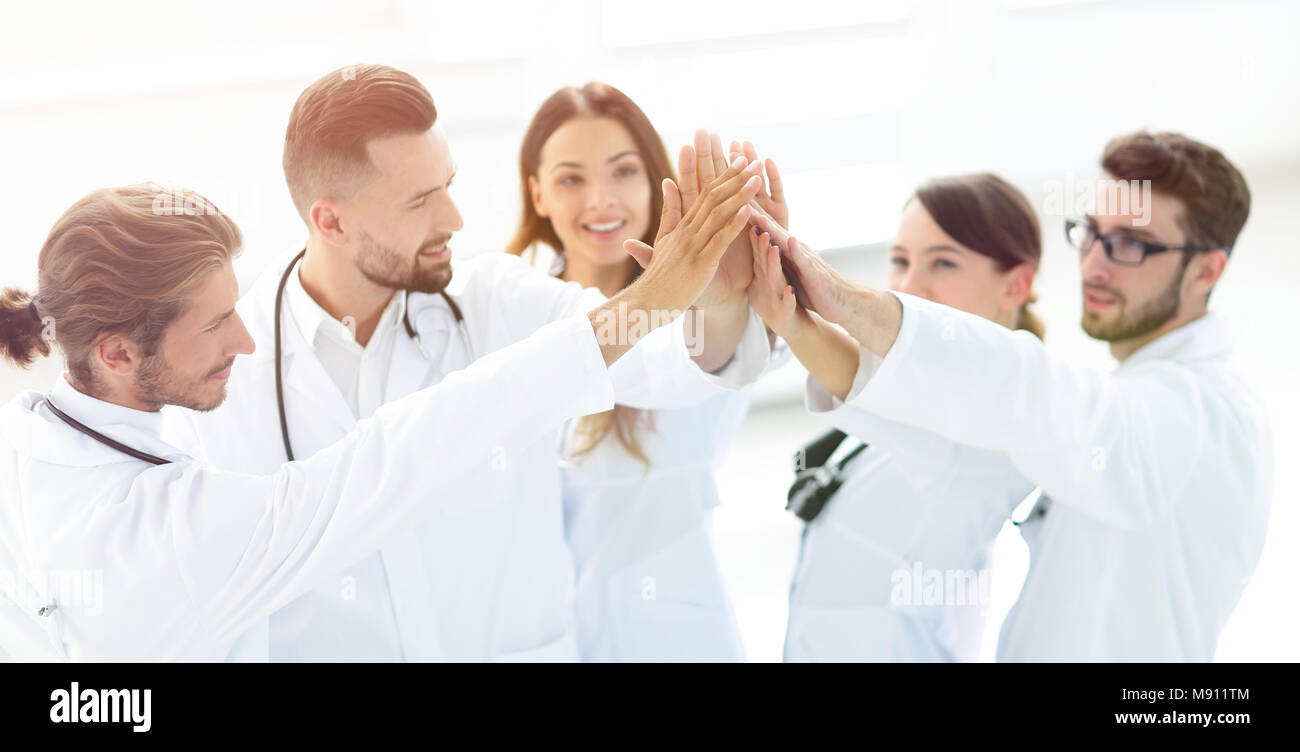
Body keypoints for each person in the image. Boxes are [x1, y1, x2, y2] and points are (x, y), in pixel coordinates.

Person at [0, 174, 757, 659]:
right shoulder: (174, 529)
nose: (245, 339)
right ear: (118, 353)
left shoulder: (44, 448)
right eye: (212, 325)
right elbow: (412, 451)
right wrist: (645, 303)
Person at [166, 64, 775, 661]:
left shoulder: (495, 302)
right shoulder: (224, 376)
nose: (453, 220)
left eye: (449, 186)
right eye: (420, 200)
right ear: (331, 220)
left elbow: (656, 360)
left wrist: (717, 306)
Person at [750, 131, 1273, 660]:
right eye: (1091, 232)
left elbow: (1031, 392)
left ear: (1207, 270)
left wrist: (841, 302)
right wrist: (796, 322)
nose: (1093, 264)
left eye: (1131, 243)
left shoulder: (1202, 408)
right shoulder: (1145, 392)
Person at [507, 83, 785, 660]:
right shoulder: (507, 315)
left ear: (655, 179)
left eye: (623, 171)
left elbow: (712, 353)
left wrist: (724, 300)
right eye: (570, 179)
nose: (601, 200)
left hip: (673, 638)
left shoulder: (700, 310)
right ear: (537, 194)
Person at [753, 173, 1042, 661]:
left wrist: (791, 315)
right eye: (900, 261)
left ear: (1017, 284)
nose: (909, 286)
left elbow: (856, 377)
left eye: (943, 263)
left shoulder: (1011, 413)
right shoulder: (906, 400)